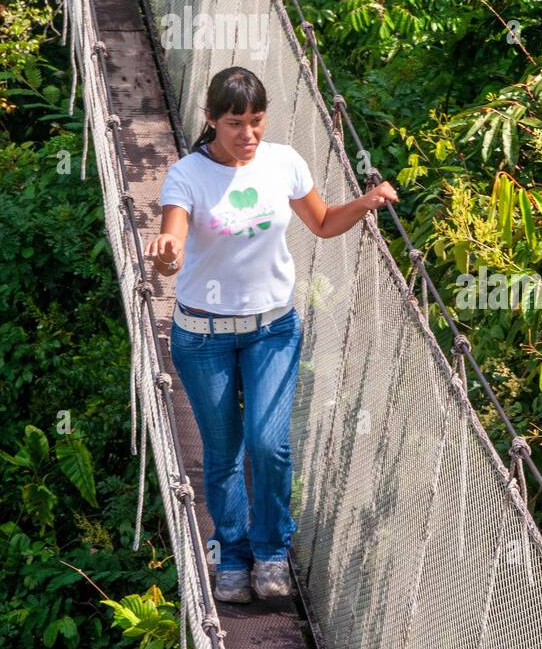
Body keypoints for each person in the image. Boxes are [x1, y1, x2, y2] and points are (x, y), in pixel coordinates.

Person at [144, 67, 398, 604]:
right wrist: (166, 255)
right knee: (223, 451)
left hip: (272, 330)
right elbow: (173, 243)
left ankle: (272, 552)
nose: (248, 135)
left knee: (268, 443)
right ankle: (231, 556)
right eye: (235, 123)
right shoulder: (187, 175)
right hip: (204, 335)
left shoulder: (284, 162)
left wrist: (367, 201)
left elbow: (324, 223)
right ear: (211, 119)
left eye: (257, 122)